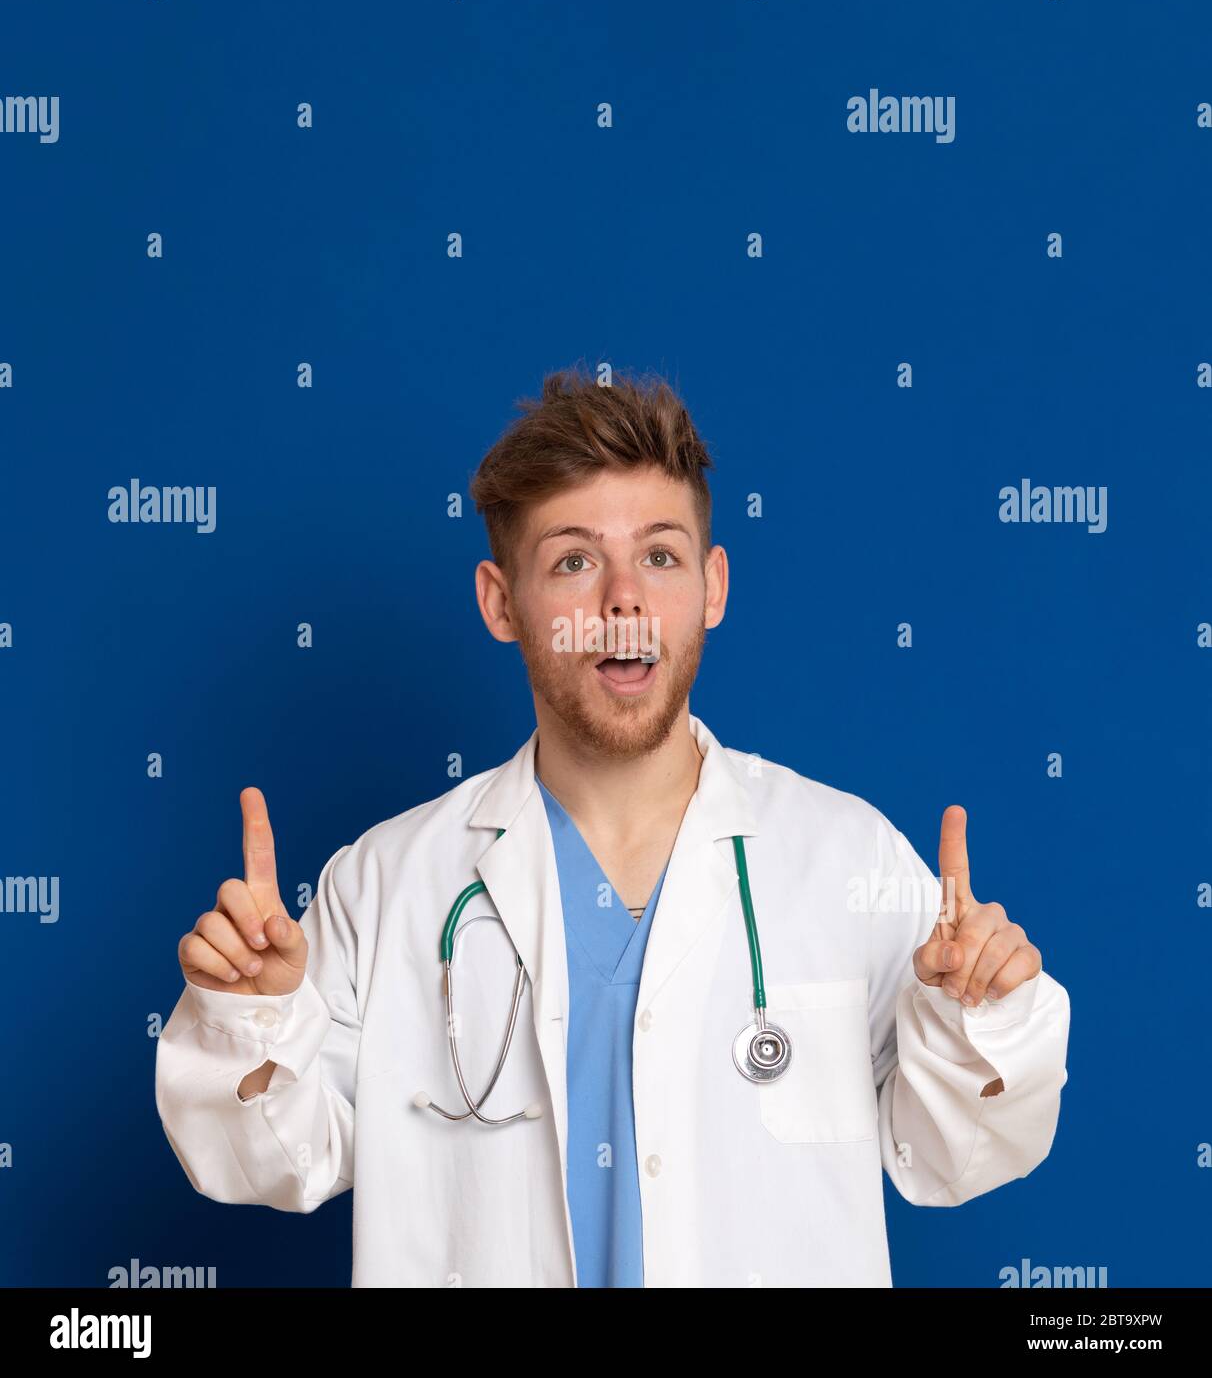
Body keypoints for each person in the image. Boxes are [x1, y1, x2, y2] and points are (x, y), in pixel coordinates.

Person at [155, 365, 1070, 1287]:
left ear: (712, 588)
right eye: (573, 561)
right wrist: (254, 1016)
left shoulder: (845, 858)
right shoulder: (388, 884)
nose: (623, 601)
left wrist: (978, 1016)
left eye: (661, 556)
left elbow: (958, 1155)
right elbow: (272, 1162)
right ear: (501, 602)